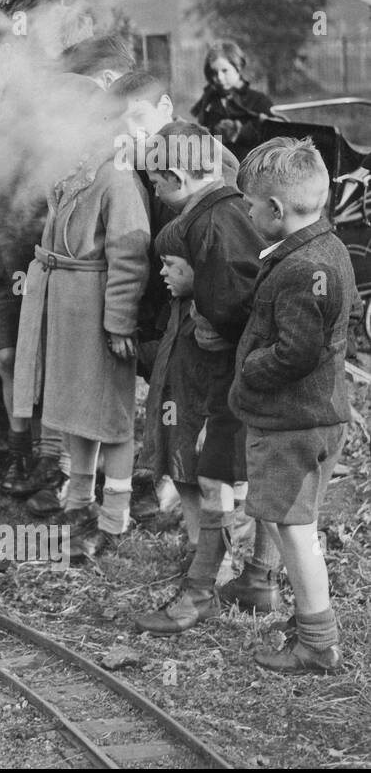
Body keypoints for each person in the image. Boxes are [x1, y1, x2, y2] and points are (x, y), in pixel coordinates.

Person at [231, 138, 360, 673]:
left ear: (276, 210)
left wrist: (249, 372)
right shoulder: (330, 250)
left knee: (293, 528)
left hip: (294, 421)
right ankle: (313, 619)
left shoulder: (300, 267)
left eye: (251, 204)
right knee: (295, 524)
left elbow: (297, 351)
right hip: (318, 414)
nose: (248, 212)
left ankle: (317, 640)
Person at [11, 78, 151, 561]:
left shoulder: (115, 176)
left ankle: (114, 519)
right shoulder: (74, 174)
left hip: (97, 312)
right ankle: (78, 502)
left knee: (110, 417)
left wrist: (118, 323)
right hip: (67, 308)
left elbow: (130, 256)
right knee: (74, 409)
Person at [132, 123, 263, 634]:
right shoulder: (218, 211)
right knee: (218, 474)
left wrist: (209, 311)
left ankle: (209, 578)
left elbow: (237, 295)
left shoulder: (214, 220)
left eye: (157, 183)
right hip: (206, 370)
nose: (156, 193)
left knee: (211, 474)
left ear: (178, 175)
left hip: (215, 375)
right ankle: (240, 570)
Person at [190, 41, 274, 161]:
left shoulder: (258, 101)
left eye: (225, 71)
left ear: (238, 67)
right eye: (214, 72)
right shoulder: (209, 101)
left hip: (249, 165)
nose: (219, 77)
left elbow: (271, 141)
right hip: (217, 165)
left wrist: (240, 132)